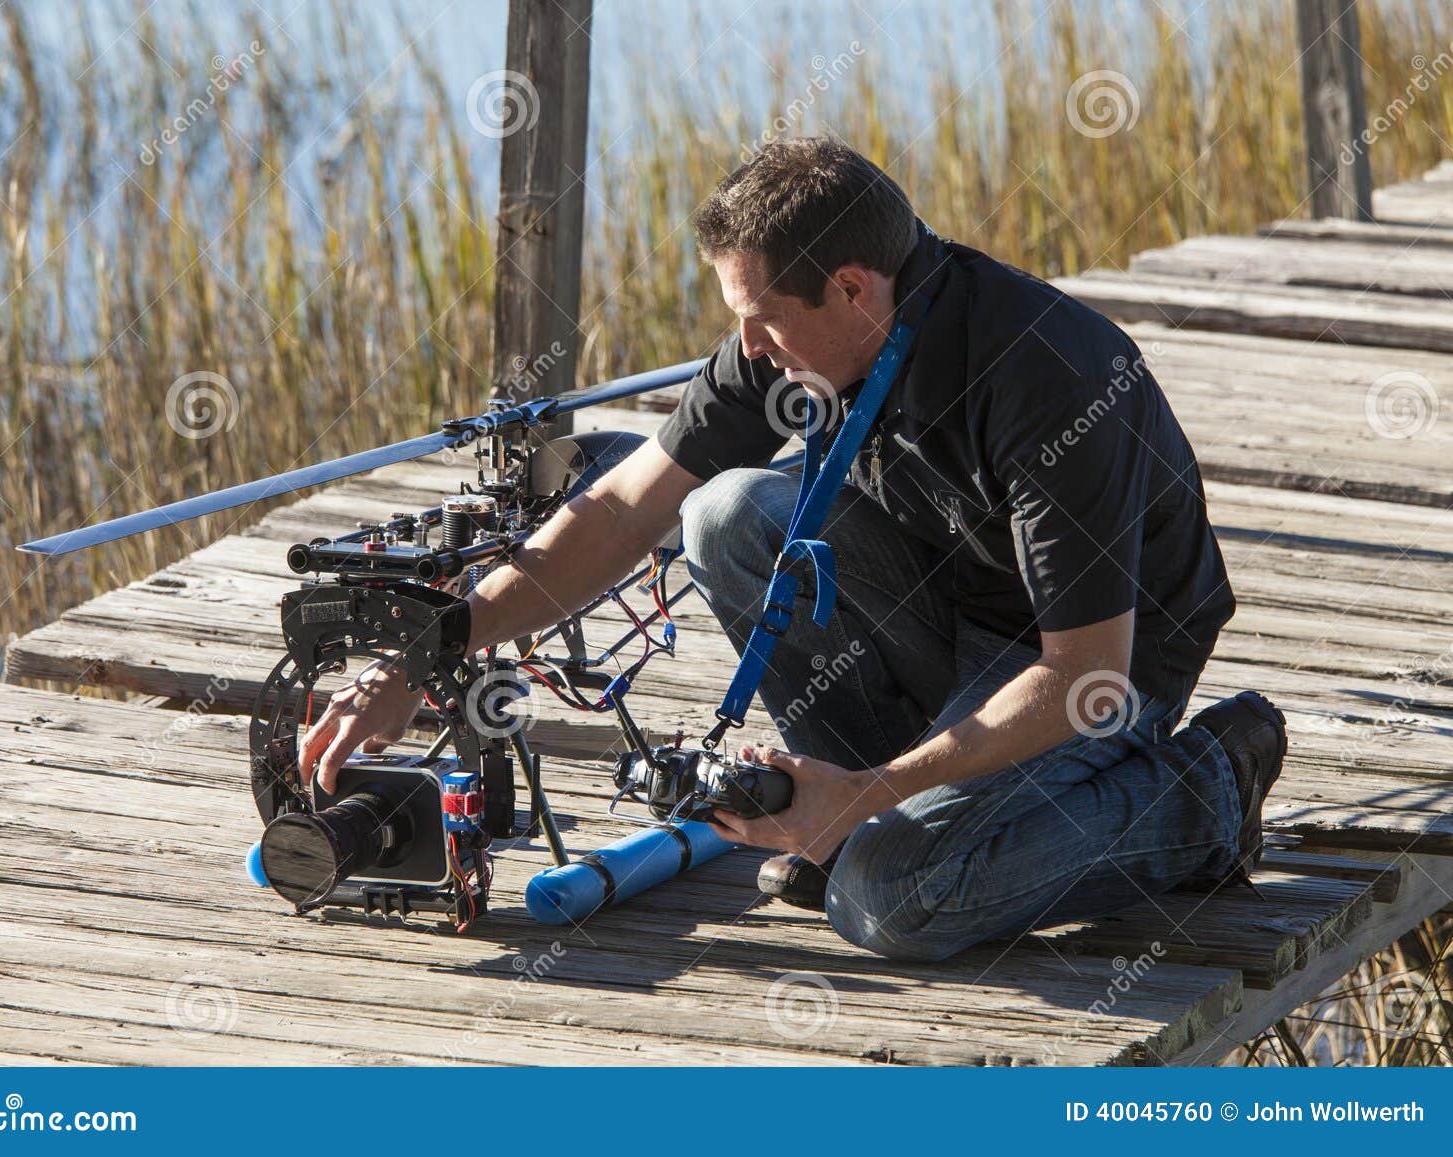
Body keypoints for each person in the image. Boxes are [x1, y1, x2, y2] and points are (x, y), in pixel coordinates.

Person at [298, 136, 1287, 962]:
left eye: (758, 320)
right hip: (948, 608)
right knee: (724, 511)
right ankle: (846, 802)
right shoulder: (795, 338)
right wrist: (430, 645)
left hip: (1092, 663)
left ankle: (1205, 788)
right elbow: (620, 510)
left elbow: (1083, 676)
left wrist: (875, 796)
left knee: (891, 898)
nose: (749, 348)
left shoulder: (1048, 379)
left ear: (852, 287)